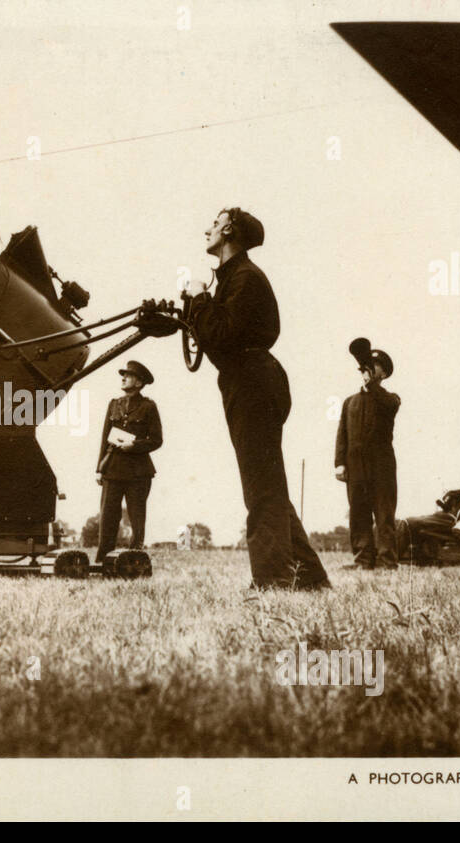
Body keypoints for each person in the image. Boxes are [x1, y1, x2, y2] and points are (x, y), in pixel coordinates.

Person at [185, 208, 330, 591]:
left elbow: (219, 334)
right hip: (250, 382)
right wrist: (193, 306)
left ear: (229, 230)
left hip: (252, 385)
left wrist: (199, 298)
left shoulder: (245, 278)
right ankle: (309, 578)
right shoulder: (235, 279)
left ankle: (273, 580)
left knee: (261, 486)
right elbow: (215, 329)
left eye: (214, 223)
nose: (208, 228)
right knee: (268, 484)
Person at [334, 340, 400, 570]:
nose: (368, 370)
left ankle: (386, 562)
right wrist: (339, 463)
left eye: (374, 366)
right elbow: (342, 433)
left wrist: (372, 385)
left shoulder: (391, 399)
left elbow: (383, 402)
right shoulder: (349, 402)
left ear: (384, 373)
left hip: (381, 466)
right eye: (366, 366)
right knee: (358, 514)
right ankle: (363, 560)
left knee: (384, 514)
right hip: (355, 467)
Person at [95, 360, 163, 562]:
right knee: (107, 518)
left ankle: (135, 561)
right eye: (123, 375)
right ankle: (102, 561)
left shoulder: (148, 406)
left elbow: (157, 440)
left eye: (128, 375)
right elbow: (104, 437)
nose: (123, 378)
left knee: (136, 519)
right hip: (112, 469)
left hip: (138, 472)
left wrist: (134, 446)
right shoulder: (114, 404)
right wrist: (99, 468)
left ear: (139, 382)